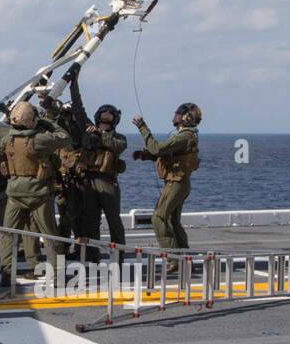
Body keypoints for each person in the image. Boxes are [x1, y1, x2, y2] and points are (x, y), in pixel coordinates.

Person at [0, 98, 75, 285]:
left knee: (8, 235)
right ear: (32, 120)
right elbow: (65, 138)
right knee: (50, 233)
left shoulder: (7, 139)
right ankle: (58, 273)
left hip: (14, 193)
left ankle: (6, 273)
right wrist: (47, 122)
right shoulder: (40, 140)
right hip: (38, 193)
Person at [131, 103, 201, 256]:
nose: (174, 116)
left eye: (177, 113)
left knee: (158, 218)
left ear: (185, 117)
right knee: (173, 222)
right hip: (179, 183)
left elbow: (157, 148)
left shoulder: (184, 136)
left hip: (175, 182)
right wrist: (147, 156)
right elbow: (168, 155)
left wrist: (143, 128)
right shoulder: (186, 136)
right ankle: (184, 256)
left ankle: (173, 258)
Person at [80, 104, 128, 253]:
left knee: (114, 221)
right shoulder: (90, 134)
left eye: (109, 115)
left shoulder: (119, 138)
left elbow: (116, 146)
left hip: (108, 182)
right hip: (90, 182)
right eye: (103, 115)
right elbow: (86, 144)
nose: (106, 117)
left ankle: (118, 255)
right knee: (90, 220)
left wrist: (101, 133)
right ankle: (92, 254)